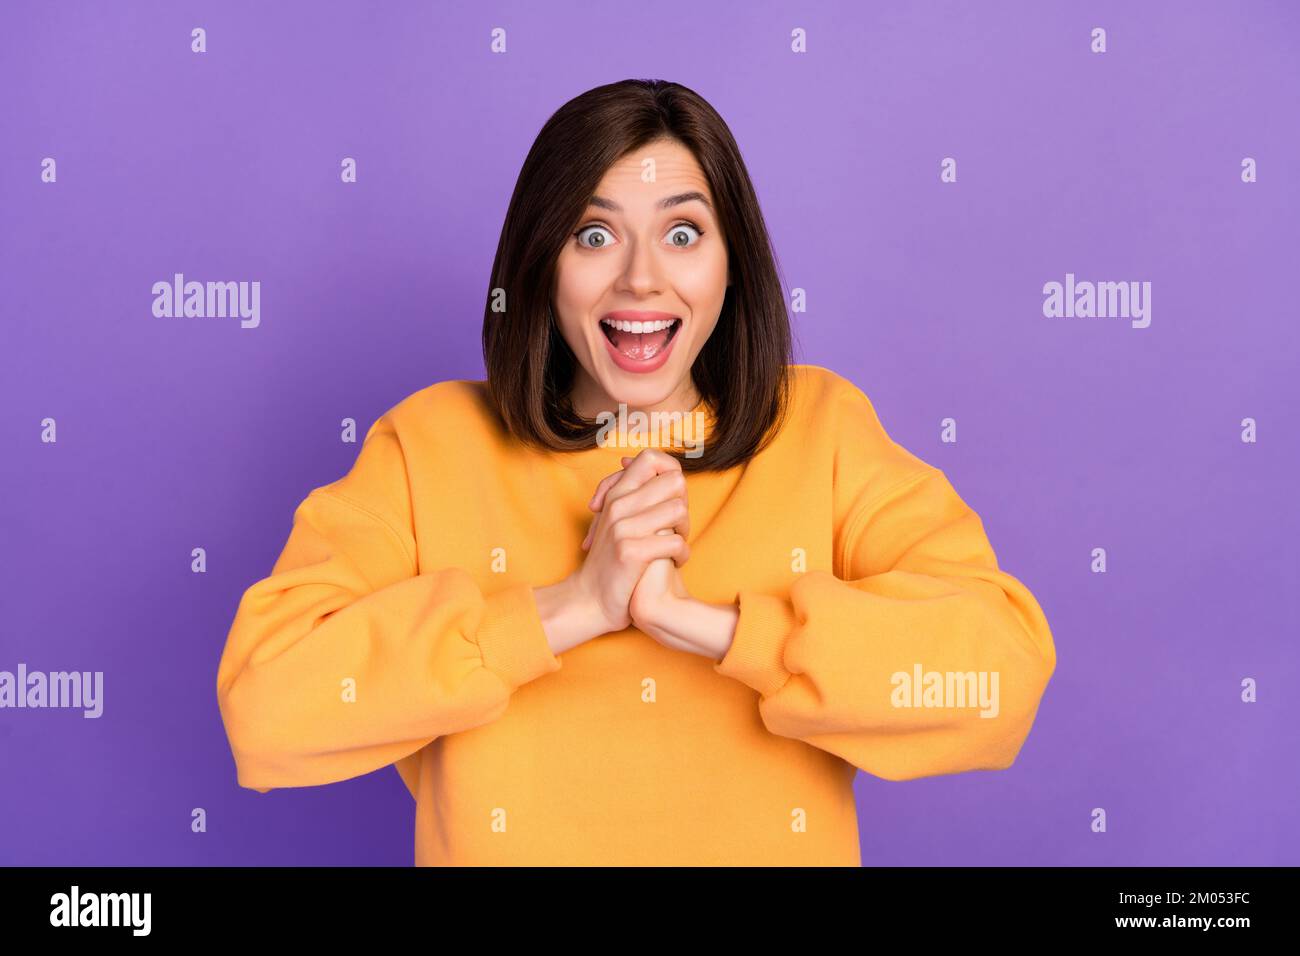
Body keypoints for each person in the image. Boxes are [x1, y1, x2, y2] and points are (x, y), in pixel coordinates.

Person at [215, 78, 1057, 866]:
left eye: (683, 234)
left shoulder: (819, 430)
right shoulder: (431, 443)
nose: (642, 278)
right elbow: (267, 709)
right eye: (594, 234)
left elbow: (1000, 678)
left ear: (733, 266)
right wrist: (571, 607)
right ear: (543, 263)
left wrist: (718, 629)